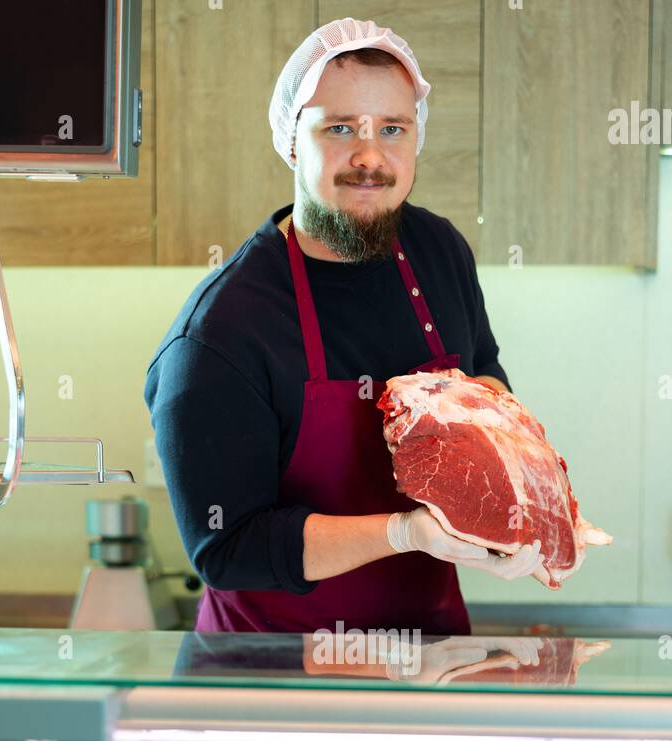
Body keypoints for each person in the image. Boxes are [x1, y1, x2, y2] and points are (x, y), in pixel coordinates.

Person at [145, 17, 542, 635]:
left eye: (392, 129)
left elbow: (484, 373)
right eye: (339, 128)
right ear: (292, 141)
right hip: (274, 680)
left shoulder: (438, 250)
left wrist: (511, 481)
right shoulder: (220, 333)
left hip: (428, 661)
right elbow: (226, 549)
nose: (369, 157)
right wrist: (405, 532)